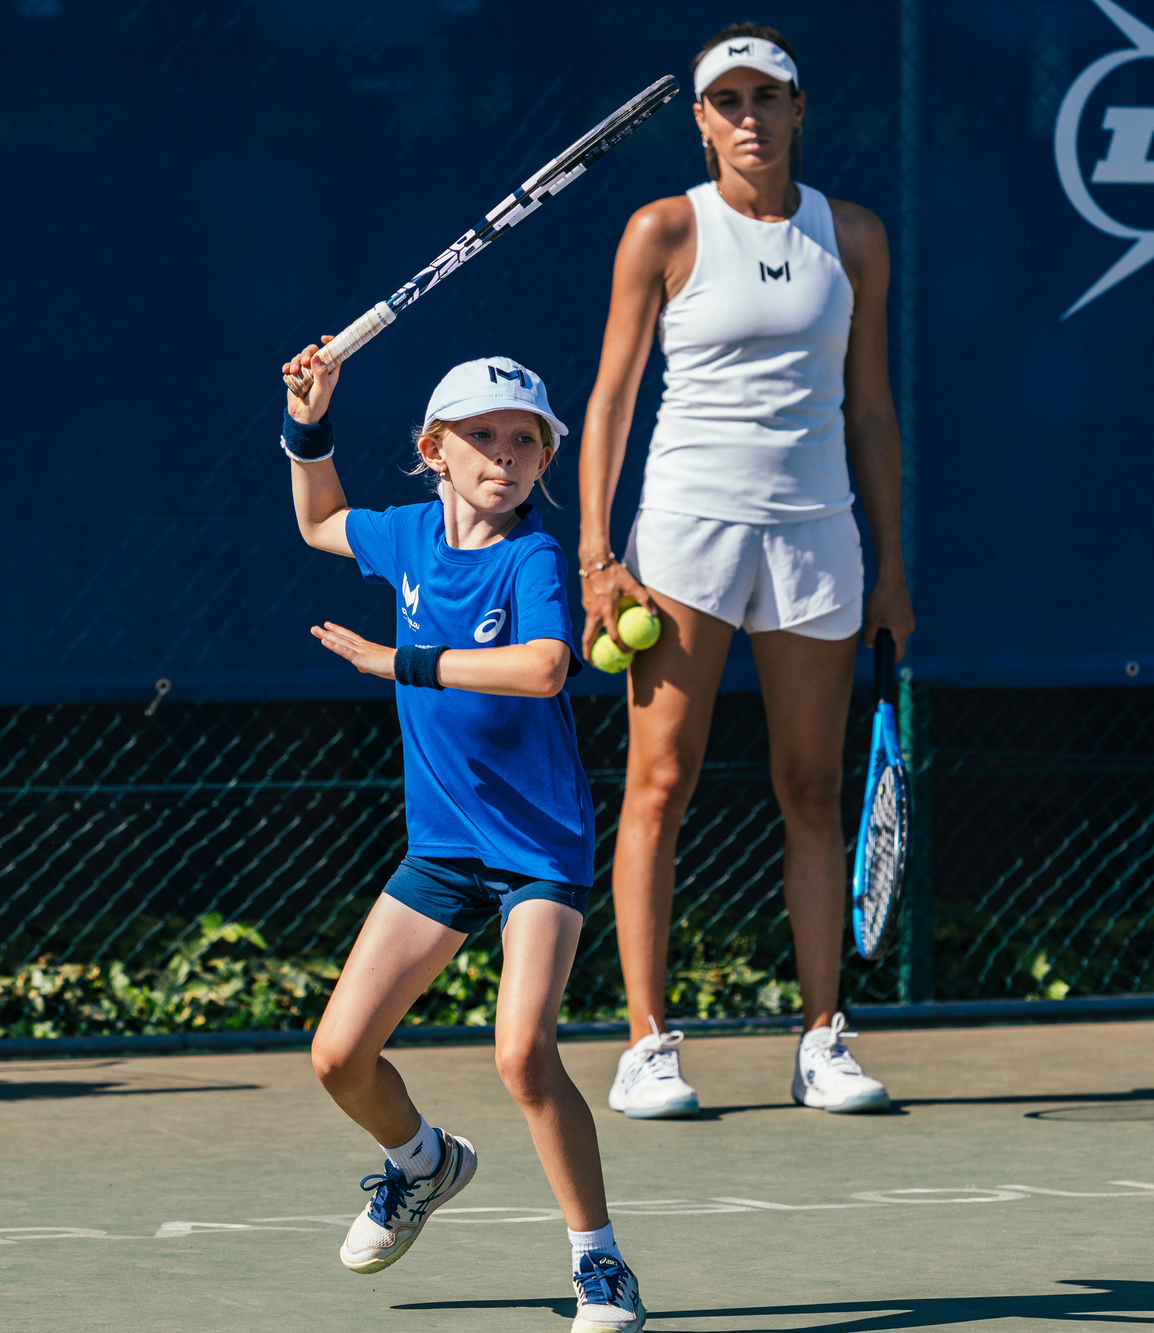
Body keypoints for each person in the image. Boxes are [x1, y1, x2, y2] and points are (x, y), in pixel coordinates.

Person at [577, 24, 916, 1118]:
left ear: (797, 109)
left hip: (816, 535)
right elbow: (612, 402)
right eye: (726, 102)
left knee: (810, 788)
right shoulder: (663, 230)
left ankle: (821, 1036)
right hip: (684, 535)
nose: (747, 119)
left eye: (765, 98)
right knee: (658, 783)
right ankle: (644, 1043)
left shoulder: (853, 237)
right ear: (700, 121)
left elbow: (868, 408)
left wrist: (891, 564)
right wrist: (597, 555)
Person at [279, 342, 648, 1333]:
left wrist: (400, 660)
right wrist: (308, 423)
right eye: (481, 437)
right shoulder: (403, 538)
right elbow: (317, 517)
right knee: (337, 1057)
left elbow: (540, 668)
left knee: (524, 1052)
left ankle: (599, 1264)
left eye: (524, 440)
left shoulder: (530, 555)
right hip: (441, 849)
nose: (505, 455)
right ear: (433, 450)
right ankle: (420, 1164)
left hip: (536, 844)